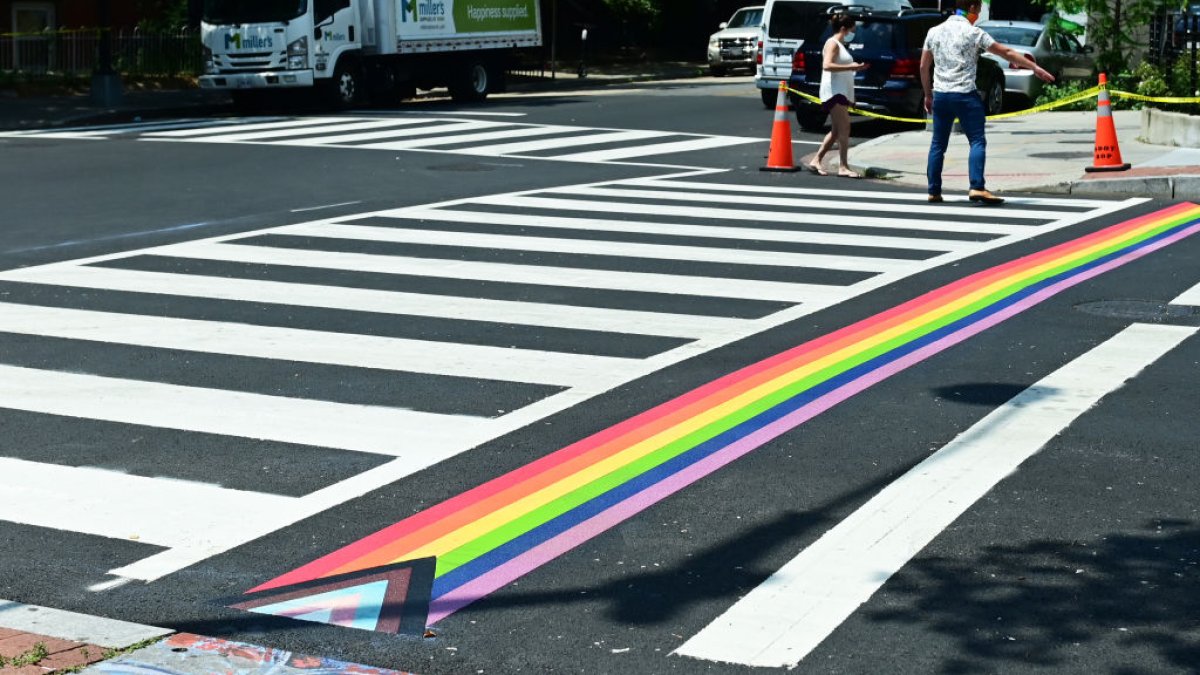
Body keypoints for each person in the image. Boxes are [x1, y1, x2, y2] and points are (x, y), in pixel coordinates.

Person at [920, 0, 1054, 204]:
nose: (978, 14)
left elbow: (923, 66)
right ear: (972, 8)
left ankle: (934, 190)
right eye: (979, 10)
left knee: (938, 143)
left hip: (941, 95)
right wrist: (1034, 68)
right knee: (976, 140)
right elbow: (1006, 52)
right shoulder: (974, 33)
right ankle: (976, 187)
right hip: (965, 94)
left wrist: (928, 95)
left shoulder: (934, 32)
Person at [808, 13, 869, 177]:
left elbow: (841, 68)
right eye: (852, 30)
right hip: (834, 91)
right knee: (845, 126)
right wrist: (851, 67)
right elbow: (827, 65)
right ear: (844, 29)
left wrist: (852, 68)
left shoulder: (840, 45)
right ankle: (843, 166)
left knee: (836, 130)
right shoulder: (832, 43)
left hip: (840, 91)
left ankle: (816, 159)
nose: (853, 34)